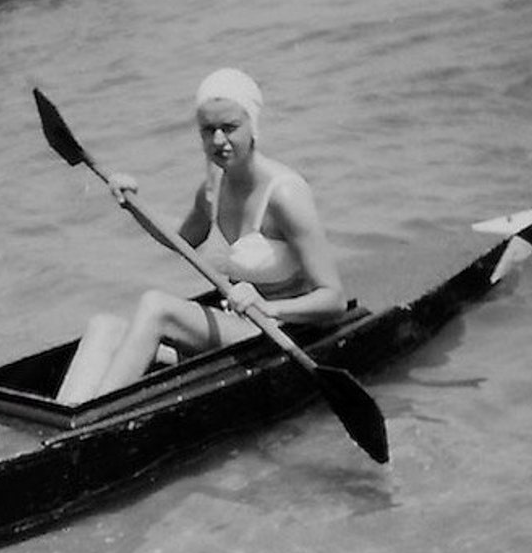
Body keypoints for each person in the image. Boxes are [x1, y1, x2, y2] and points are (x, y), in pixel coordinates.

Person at [56, 68, 351, 405]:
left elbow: (334, 300)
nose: (219, 142)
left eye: (230, 128)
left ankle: (95, 422)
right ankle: (67, 421)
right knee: (104, 326)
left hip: (282, 329)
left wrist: (269, 308)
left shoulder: (285, 194)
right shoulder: (214, 187)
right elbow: (179, 240)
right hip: (237, 325)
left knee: (156, 306)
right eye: (208, 131)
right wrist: (131, 204)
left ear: (253, 124)